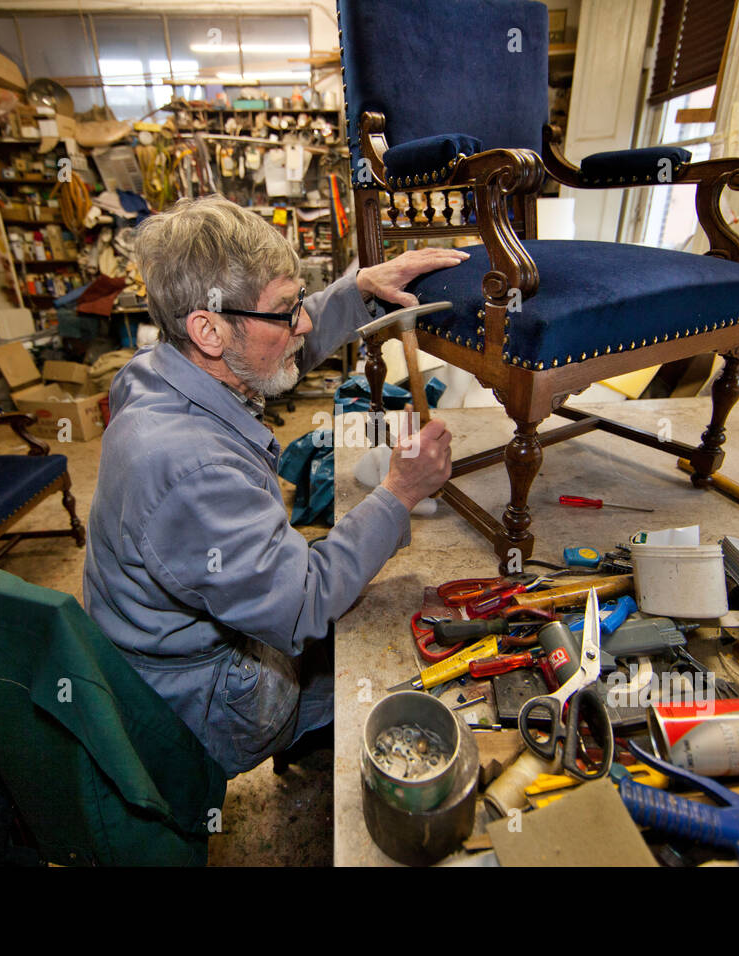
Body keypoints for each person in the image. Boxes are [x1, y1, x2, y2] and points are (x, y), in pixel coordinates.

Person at [83, 195, 465, 777]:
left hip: (162, 650)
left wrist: (358, 287)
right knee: (406, 667)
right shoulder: (192, 468)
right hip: (205, 698)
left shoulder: (157, 367)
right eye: (288, 311)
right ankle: (307, 735)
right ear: (207, 328)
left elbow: (265, 355)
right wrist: (398, 494)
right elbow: (301, 604)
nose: (303, 324)